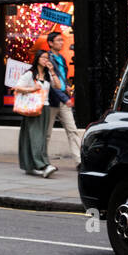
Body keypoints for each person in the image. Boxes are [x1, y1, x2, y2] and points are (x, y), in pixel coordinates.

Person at [15, 50, 55, 178]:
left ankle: (30, 166)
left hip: (45, 108)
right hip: (32, 108)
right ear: (37, 58)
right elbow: (17, 88)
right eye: (43, 57)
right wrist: (32, 89)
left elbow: (59, 86)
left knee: (41, 137)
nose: (46, 60)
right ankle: (43, 165)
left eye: (47, 58)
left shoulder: (48, 74)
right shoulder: (30, 74)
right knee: (35, 137)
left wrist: (53, 71)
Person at [44, 31, 81, 163]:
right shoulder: (46, 59)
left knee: (72, 130)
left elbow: (62, 78)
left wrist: (66, 87)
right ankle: (43, 161)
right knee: (47, 133)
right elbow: (49, 83)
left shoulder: (62, 58)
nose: (61, 42)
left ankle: (79, 161)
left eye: (62, 40)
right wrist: (65, 97)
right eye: (58, 40)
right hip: (52, 100)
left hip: (63, 99)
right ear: (50, 43)